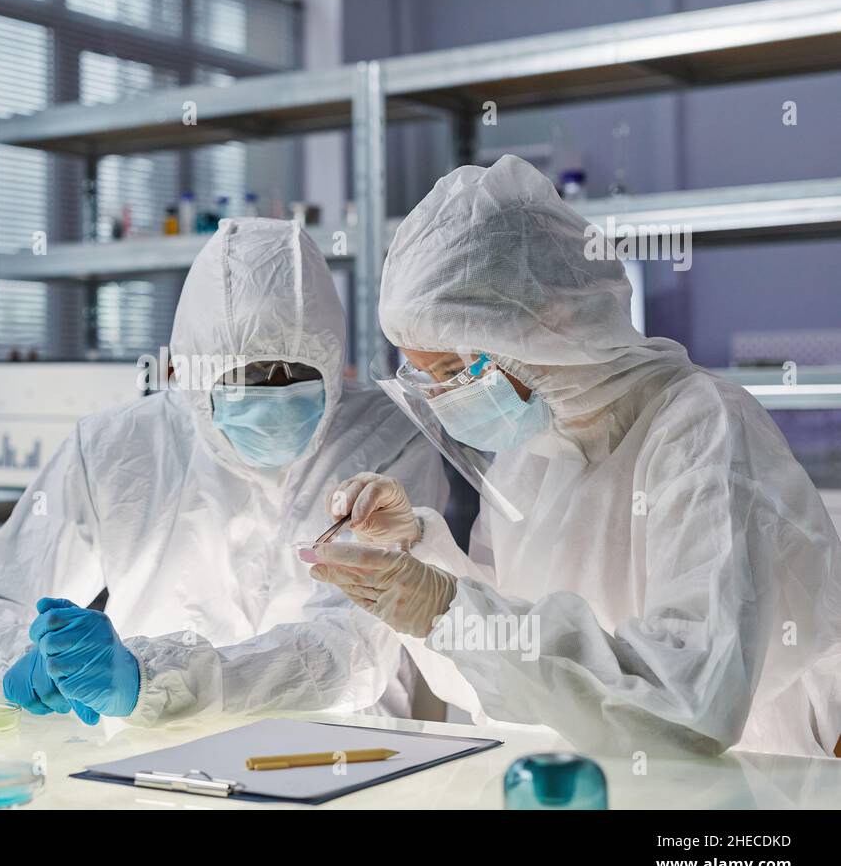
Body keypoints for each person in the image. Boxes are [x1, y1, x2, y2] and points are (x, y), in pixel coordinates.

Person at [307, 155, 841, 757]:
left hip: (739, 796)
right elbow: (501, 685)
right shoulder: (530, 452)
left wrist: (448, 610)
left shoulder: (700, 430)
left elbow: (686, 707)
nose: (449, 398)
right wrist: (421, 559)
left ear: (548, 320)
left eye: (456, 369)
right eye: (428, 378)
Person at [0, 218, 447, 724]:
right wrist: (23, 662)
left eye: (298, 370)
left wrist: (154, 680)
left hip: (338, 748)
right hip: (146, 744)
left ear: (335, 362)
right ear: (189, 370)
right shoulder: (116, 446)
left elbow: (352, 650)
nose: (275, 390)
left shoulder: (390, 437)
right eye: (246, 374)